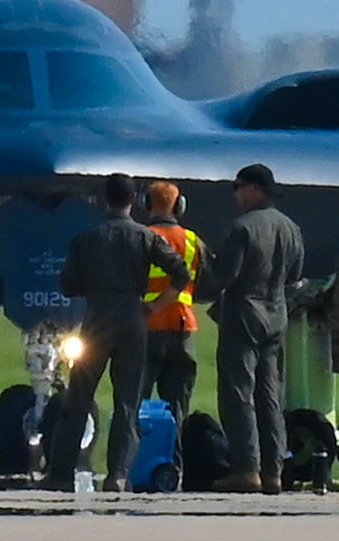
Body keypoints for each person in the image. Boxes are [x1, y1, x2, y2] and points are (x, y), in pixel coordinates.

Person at [43, 180, 160, 491]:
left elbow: (68, 285)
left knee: (79, 396)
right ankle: (118, 475)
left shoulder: (87, 238)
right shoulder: (146, 237)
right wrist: (155, 306)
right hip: (133, 318)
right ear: (134, 200)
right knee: (127, 401)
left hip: (97, 319)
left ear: (103, 200)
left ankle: (61, 473)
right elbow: (180, 272)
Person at [209, 165, 306, 492]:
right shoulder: (291, 227)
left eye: (238, 187)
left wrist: (207, 262)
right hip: (277, 312)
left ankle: (246, 468)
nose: (235, 194)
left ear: (253, 190)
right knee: (270, 395)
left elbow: (225, 277)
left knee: (238, 393)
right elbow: (295, 276)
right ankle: (273, 470)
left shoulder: (242, 228)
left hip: (243, 312)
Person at [135, 178, 204, 435]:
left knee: (136, 404)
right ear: (179, 207)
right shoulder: (192, 240)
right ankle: (174, 468)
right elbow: (210, 278)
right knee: (177, 408)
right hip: (182, 327)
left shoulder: (142, 238)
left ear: (146, 204)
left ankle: (135, 464)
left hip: (147, 327)